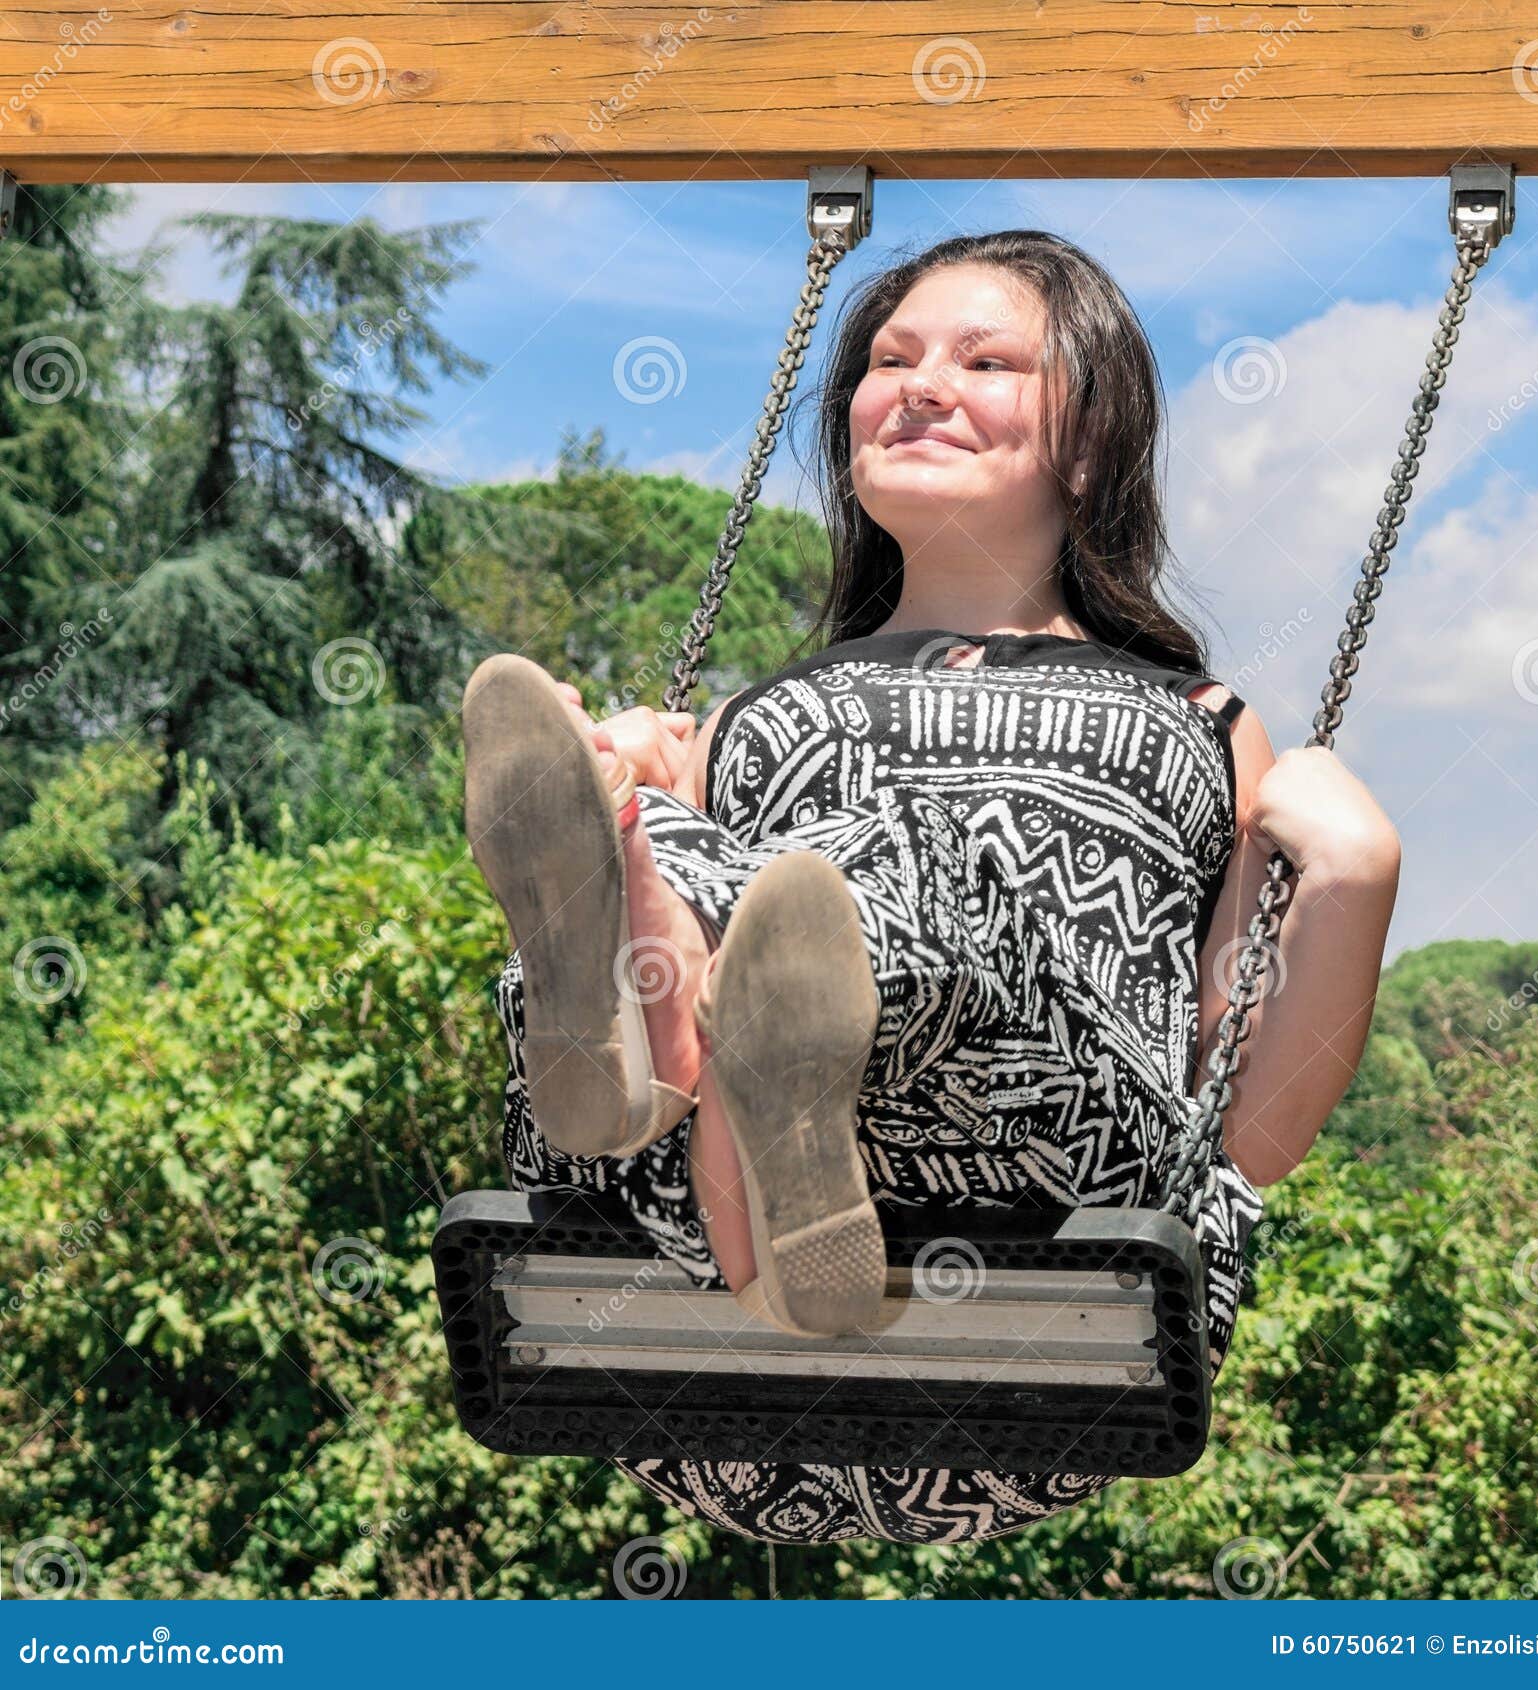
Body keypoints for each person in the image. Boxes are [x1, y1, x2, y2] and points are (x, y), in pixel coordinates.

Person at [463, 230, 1401, 1546]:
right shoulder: (745, 716)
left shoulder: (1201, 721)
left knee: (897, 883)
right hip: (686, 1318)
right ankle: (652, 1042)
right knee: (664, 852)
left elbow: (1252, 1133)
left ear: (1090, 442)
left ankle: (699, 1008)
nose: (919, 382)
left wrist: (1354, 875)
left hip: (1043, 1226)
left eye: (983, 357)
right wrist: (625, 793)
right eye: (890, 358)